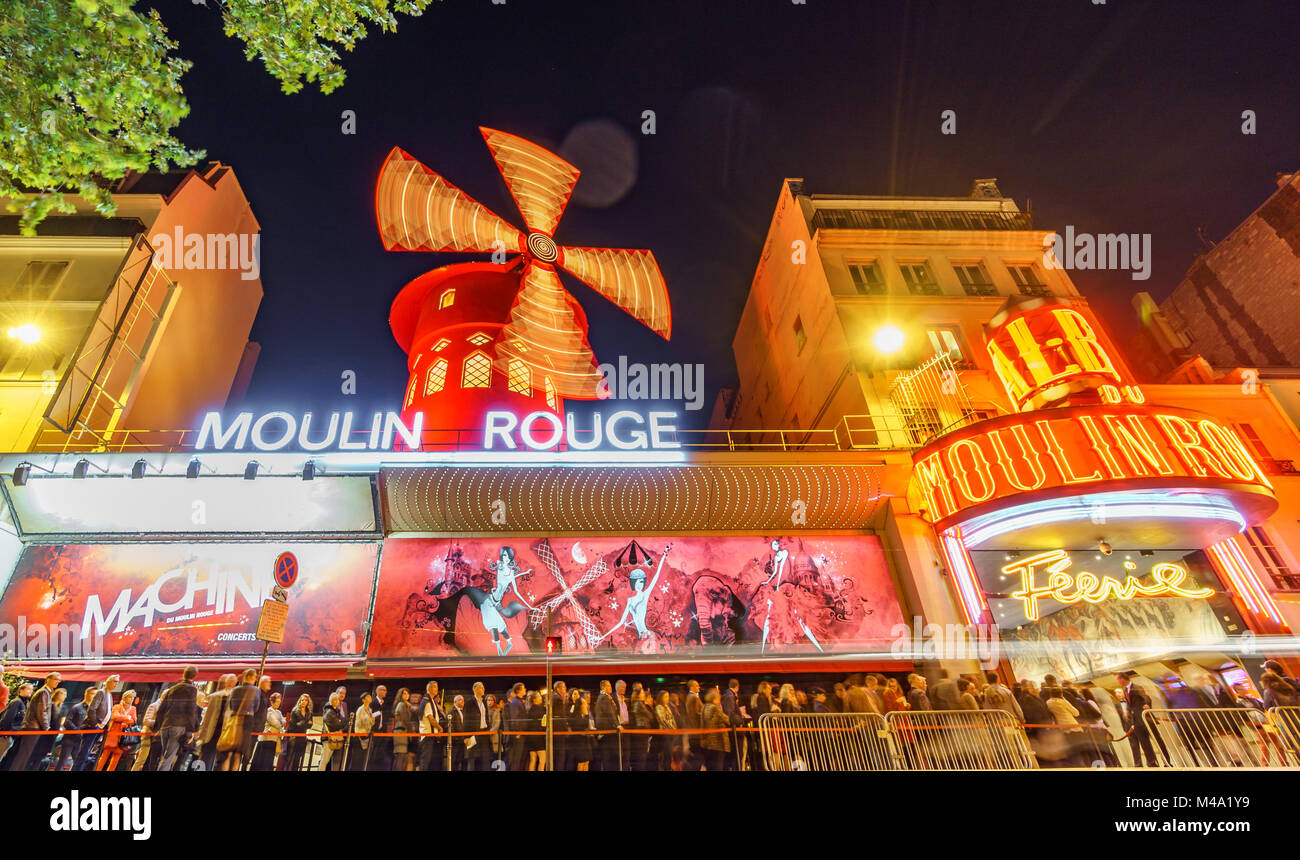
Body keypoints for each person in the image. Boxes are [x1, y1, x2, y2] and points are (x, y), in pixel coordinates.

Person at [9, 672, 60, 771]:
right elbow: (41, 711)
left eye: (59, 680)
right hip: (33, 727)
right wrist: (46, 727)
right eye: (55, 679)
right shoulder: (43, 692)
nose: (57, 682)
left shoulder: (47, 692)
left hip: (34, 727)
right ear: (48, 679)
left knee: (25, 754)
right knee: (24, 754)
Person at [154, 666, 200, 772]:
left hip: (166, 725)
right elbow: (191, 710)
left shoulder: (172, 689)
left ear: (184, 673)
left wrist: (159, 725)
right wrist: (191, 730)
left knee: (165, 756)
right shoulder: (191, 689)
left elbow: (162, 709)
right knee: (168, 758)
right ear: (194, 676)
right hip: (178, 726)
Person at [76, 674, 119, 771]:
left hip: (100, 728)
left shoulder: (110, 695)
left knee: (88, 752)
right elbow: (92, 708)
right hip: (93, 727)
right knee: (84, 752)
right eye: (115, 681)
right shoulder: (101, 692)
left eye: (117, 682)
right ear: (109, 681)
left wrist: (105, 726)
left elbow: (109, 711)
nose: (116, 684)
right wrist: (95, 723)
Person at [221, 669, 261, 771]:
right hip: (247, 721)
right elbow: (256, 708)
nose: (255, 679)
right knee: (238, 755)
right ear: (250, 677)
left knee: (229, 753)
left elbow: (230, 705)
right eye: (254, 677)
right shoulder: (256, 690)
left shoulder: (235, 690)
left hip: (234, 719)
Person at [1117, 673, 1160, 767]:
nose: (1118, 682)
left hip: (1144, 719)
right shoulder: (1125, 690)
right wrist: (1127, 711)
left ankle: (1160, 762)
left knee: (1155, 741)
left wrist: (1148, 705)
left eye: (1118, 679)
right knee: (1144, 743)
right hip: (1136, 721)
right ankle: (1151, 762)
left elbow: (1146, 697)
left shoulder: (1136, 687)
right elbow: (1130, 704)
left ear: (1122, 679)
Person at [197, 673, 235, 772]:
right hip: (211, 731)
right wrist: (202, 734)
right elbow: (207, 717)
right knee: (205, 758)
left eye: (233, 681)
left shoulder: (235, 698)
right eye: (229, 681)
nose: (231, 683)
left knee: (220, 760)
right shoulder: (215, 696)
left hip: (224, 734)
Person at [55, 688, 95, 773]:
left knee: (77, 761)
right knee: (62, 761)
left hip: (81, 740)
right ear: (86, 694)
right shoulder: (77, 707)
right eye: (92, 694)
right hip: (70, 738)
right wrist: (77, 731)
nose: (94, 696)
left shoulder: (92, 710)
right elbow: (67, 722)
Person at [96, 690, 137, 772]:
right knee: (104, 757)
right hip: (112, 736)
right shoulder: (117, 706)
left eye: (133, 697)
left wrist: (125, 719)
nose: (132, 699)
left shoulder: (133, 708)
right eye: (130, 697)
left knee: (115, 759)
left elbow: (134, 721)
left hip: (123, 737)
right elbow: (115, 717)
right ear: (125, 697)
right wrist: (127, 718)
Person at [462, 681, 492, 771]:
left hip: (484, 734)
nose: (483, 689)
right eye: (481, 687)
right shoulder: (469, 702)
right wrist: (466, 736)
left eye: (483, 687)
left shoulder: (484, 702)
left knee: (485, 759)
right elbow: (466, 720)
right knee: (472, 759)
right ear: (475, 689)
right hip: (473, 734)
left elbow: (485, 718)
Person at [251, 691, 284, 771]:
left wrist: (280, 723)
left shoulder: (279, 712)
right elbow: (276, 723)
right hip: (266, 739)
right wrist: (279, 723)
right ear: (272, 702)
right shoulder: (269, 711)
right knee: (262, 760)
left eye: (279, 702)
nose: (278, 704)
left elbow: (283, 722)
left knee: (269, 761)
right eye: (277, 702)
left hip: (274, 739)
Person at [700, 688, 732, 770]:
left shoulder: (704, 707)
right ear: (714, 699)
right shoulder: (715, 708)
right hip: (718, 743)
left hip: (707, 743)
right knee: (718, 766)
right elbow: (727, 720)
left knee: (710, 766)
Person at [281, 694, 314, 771]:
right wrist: (306, 722)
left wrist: (301, 723)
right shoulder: (295, 711)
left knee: (297, 760)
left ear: (308, 702)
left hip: (302, 737)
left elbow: (310, 725)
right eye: (302, 700)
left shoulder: (309, 713)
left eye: (305, 700)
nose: (303, 702)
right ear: (300, 701)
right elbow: (294, 725)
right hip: (293, 737)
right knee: (288, 758)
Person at [0, 683, 29, 769]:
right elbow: (8, 718)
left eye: (31, 689)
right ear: (21, 690)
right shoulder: (17, 702)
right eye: (28, 689)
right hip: (6, 735)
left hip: (10, 735)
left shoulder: (24, 703)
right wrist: (6, 733)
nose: (30, 691)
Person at [417, 682, 445, 771]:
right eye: (434, 687)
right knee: (425, 760)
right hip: (427, 735)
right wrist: (440, 728)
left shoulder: (431, 700)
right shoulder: (427, 701)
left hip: (431, 735)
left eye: (437, 687)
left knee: (428, 761)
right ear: (428, 689)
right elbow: (431, 719)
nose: (436, 689)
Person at [319, 691, 347, 771]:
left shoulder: (335, 711)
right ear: (331, 701)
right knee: (324, 760)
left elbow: (341, 721)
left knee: (326, 760)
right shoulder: (329, 712)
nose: (336, 701)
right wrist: (343, 721)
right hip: (328, 739)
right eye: (334, 700)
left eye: (337, 700)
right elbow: (336, 725)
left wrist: (342, 721)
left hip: (332, 738)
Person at [652, 690, 678, 771]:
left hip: (670, 733)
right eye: (665, 697)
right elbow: (663, 720)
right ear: (661, 698)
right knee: (666, 754)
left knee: (669, 754)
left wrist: (675, 729)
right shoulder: (659, 707)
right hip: (664, 734)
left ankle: (668, 767)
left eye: (668, 696)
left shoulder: (667, 706)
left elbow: (672, 719)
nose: (667, 698)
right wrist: (672, 729)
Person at [505, 682, 528, 771]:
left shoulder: (518, 701)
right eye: (523, 688)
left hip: (520, 733)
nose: (525, 689)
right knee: (516, 758)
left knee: (519, 757)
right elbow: (515, 718)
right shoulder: (516, 702)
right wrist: (518, 731)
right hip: (518, 734)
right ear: (518, 690)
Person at [390, 687, 414, 771]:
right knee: (401, 756)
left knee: (402, 756)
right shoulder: (401, 704)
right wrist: (411, 732)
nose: (407, 695)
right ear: (401, 695)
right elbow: (406, 719)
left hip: (403, 732)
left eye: (408, 693)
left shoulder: (405, 704)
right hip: (401, 732)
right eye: (404, 693)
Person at [526, 691, 547, 771]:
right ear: (534, 700)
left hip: (531, 737)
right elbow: (543, 723)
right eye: (539, 696)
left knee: (533, 760)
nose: (541, 698)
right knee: (542, 761)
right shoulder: (541, 708)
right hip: (539, 737)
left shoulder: (529, 709)